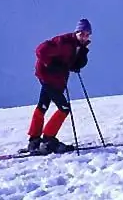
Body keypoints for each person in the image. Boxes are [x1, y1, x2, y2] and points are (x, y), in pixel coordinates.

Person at [27, 18, 92, 154]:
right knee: (64, 108)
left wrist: (82, 53)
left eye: (87, 34)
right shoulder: (63, 42)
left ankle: (34, 141)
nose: (85, 37)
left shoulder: (79, 46)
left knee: (42, 106)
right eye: (82, 33)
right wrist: (51, 65)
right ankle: (48, 139)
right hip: (48, 77)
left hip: (57, 79)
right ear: (76, 32)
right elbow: (40, 50)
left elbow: (74, 64)